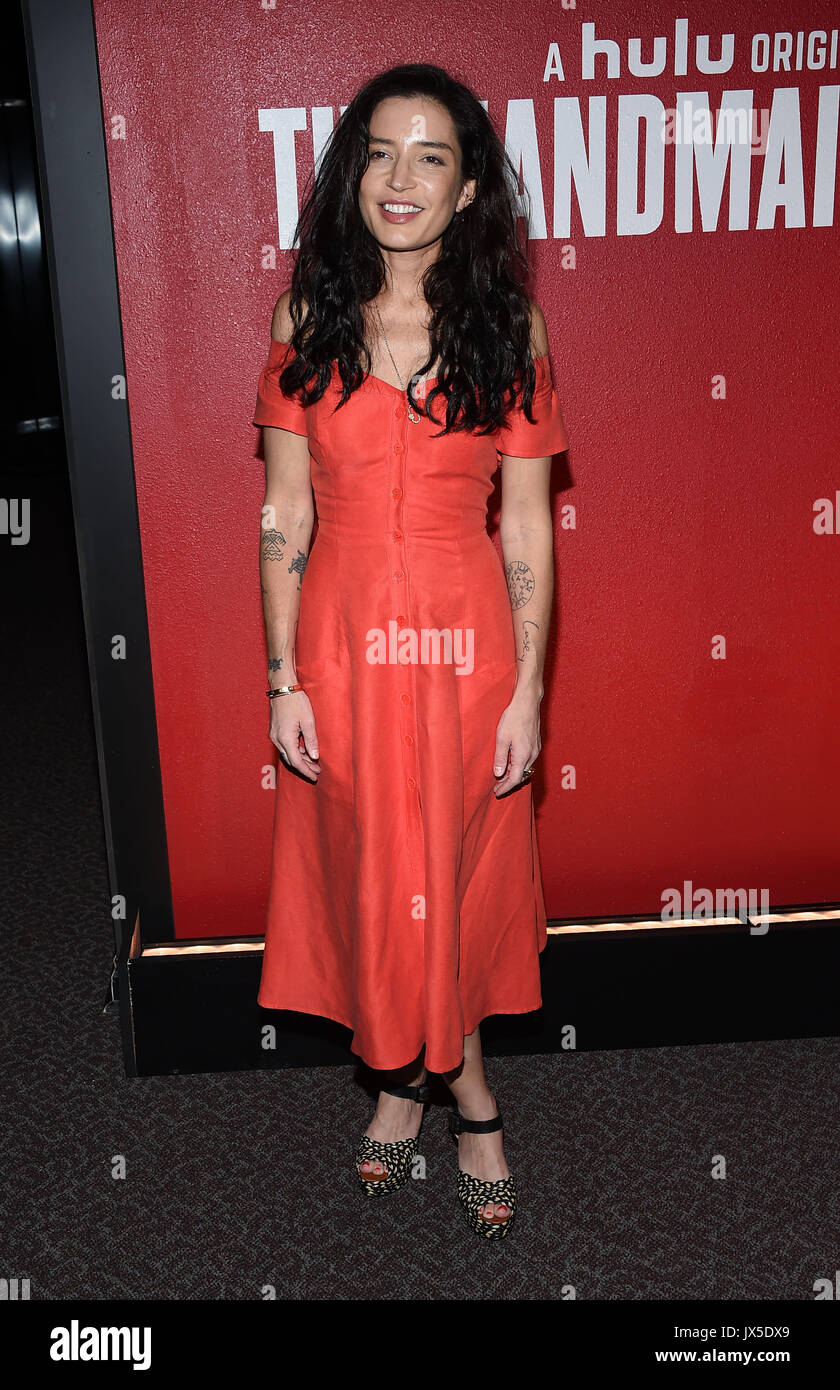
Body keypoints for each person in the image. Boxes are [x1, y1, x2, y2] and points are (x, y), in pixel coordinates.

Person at [252, 62, 569, 1239]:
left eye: (432, 156)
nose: (402, 178)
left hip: (465, 643)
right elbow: (286, 512)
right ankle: (403, 1079)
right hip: (338, 641)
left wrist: (530, 685)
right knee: (376, 873)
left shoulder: (508, 326)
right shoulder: (304, 319)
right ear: (353, 173)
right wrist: (283, 674)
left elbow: (527, 521)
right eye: (381, 152)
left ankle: (459, 1090)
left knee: (460, 873)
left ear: (470, 186)